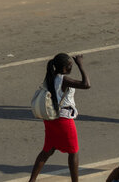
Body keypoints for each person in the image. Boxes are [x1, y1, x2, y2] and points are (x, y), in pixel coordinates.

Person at [29, 53, 90, 182]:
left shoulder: (50, 77)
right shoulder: (64, 80)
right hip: (64, 120)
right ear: (63, 69)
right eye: (70, 66)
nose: (71, 67)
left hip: (51, 119)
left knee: (48, 150)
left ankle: (32, 180)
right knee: (73, 152)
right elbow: (86, 84)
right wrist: (81, 65)